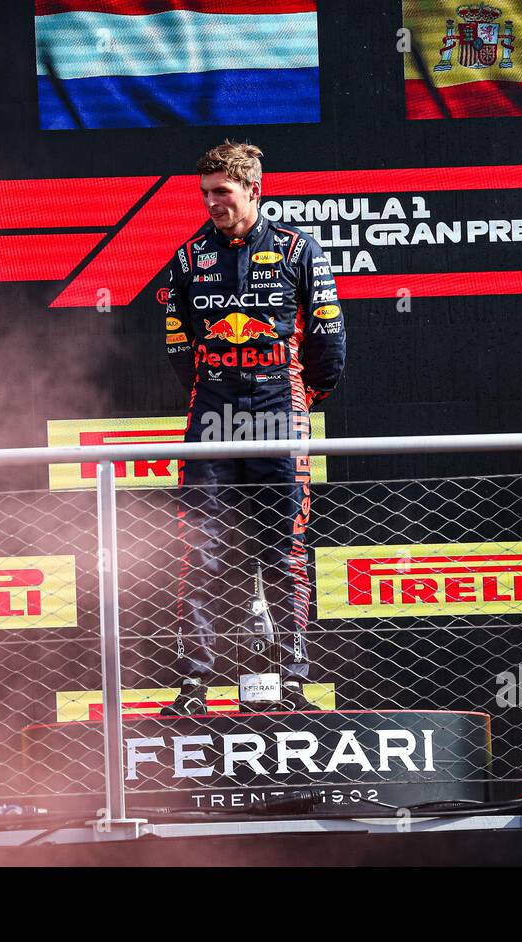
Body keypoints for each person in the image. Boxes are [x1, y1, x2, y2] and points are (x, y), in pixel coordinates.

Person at [161, 141, 346, 715]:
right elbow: (176, 348)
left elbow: (330, 344)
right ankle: (195, 682)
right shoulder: (188, 258)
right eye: (206, 193)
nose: (212, 203)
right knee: (202, 547)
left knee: (283, 546)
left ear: (253, 190)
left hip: (278, 412)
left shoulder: (299, 250)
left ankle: (292, 681)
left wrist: (297, 397)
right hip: (213, 415)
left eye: (223, 192)